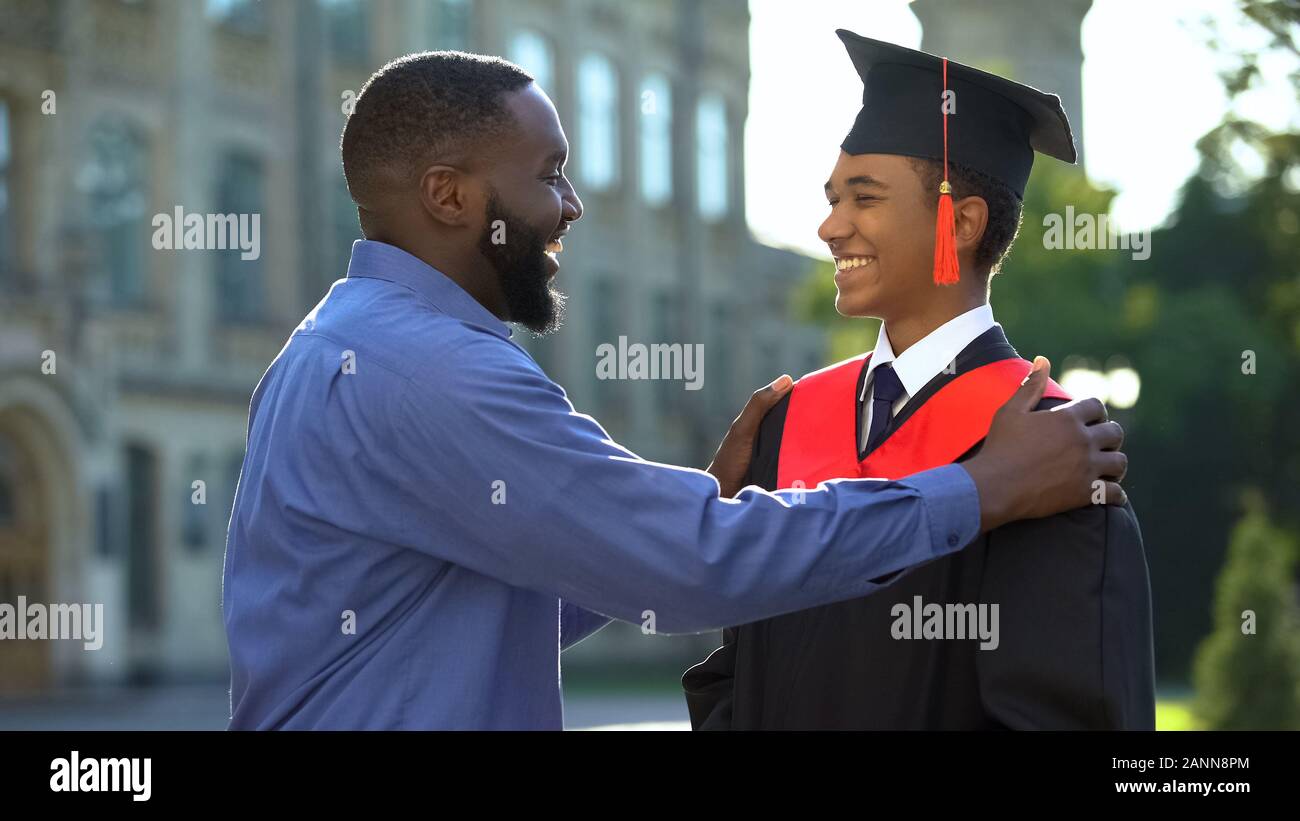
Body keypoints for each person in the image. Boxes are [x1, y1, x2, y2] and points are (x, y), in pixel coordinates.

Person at [222, 51, 1128, 730]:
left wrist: (704, 502)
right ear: (449, 197)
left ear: (958, 225)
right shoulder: (436, 371)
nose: (571, 203)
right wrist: (984, 488)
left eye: (865, 196)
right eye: (547, 176)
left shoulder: (327, 349)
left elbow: (482, 608)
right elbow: (696, 571)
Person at [682, 31, 1155, 730]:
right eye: (832, 197)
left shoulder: (1054, 452)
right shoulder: (788, 422)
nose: (829, 226)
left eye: (863, 198)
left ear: (960, 221)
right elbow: (732, 671)